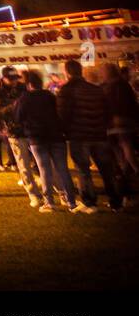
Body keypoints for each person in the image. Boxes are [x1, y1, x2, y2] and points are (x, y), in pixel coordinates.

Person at [16, 70, 90, 214]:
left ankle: (49, 202)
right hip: (56, 136)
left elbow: (18, 117)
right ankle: (72, 202)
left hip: (37, 138)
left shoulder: (24, 99)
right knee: (63, 169)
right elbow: (59, 112)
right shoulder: (49, 96)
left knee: (45, 170)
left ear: (29, 84)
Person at [58, 59, 123, 212]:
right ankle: (116, 202)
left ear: (67, 72)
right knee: (106, 170)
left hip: (79, 135)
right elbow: (107, 110)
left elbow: (63, 115)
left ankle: (90, 202)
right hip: (99, 134)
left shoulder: (67, 90)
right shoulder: (95, 89)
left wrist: (65, 131)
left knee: (83, 169)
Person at [0, 66, 45, 208]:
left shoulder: (22, 87)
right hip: (14, 131)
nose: (14, 81)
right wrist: (15, 106)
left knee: (43, 162)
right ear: (3, 78)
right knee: (24, 165)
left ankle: (55, 191)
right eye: (11, 79)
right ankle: (33, 194)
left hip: (30, 129)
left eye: (15, 78)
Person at [99, 63, 139, 179]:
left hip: (112, 121)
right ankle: (131, 168)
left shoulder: (104, 87)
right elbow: (132, 102)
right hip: (126, 119)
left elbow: (103, 105)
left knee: (118, 147)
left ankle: (127, 169)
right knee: (126, 145)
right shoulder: (124, 84)